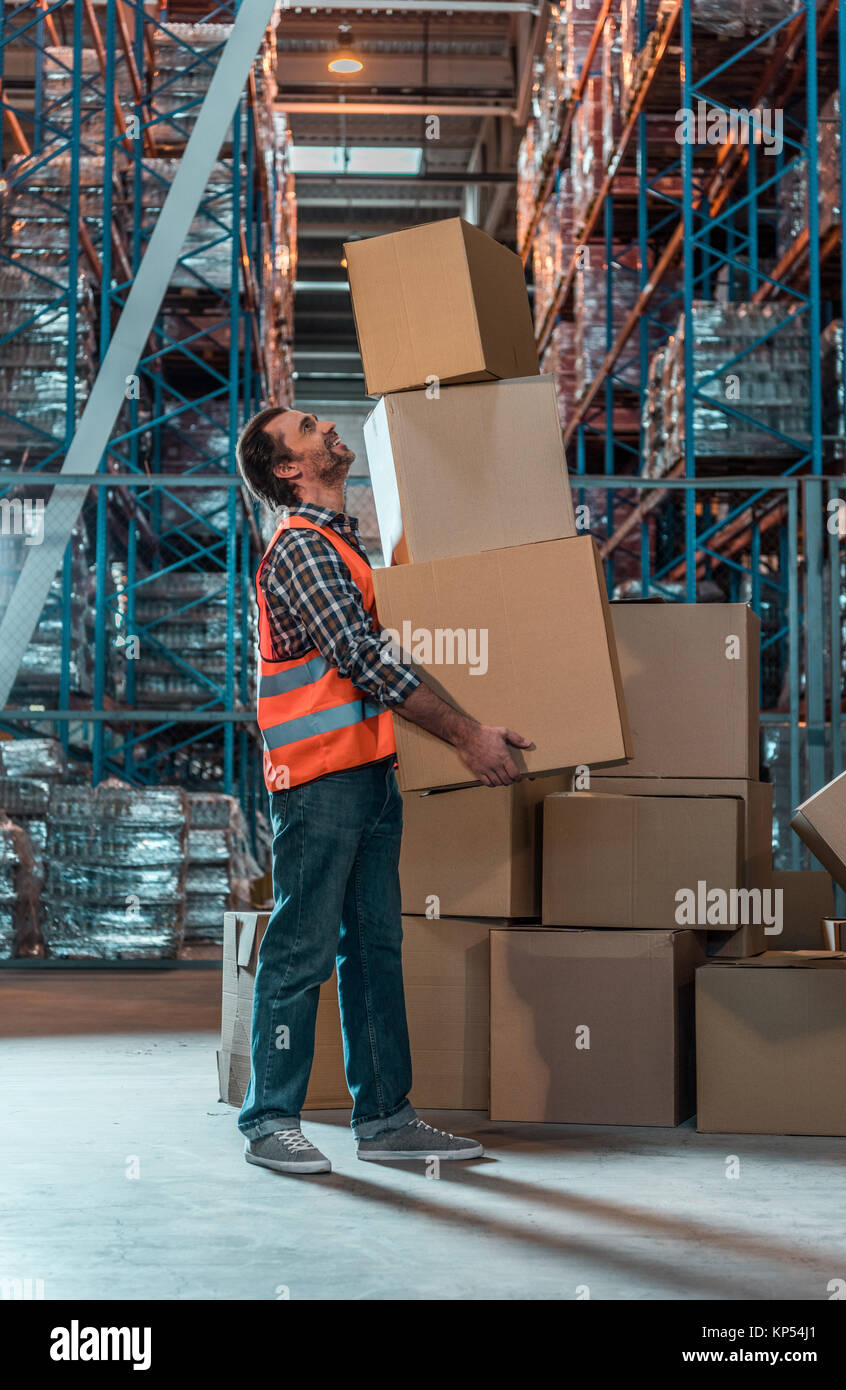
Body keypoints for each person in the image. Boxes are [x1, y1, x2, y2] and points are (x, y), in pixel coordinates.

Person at [235, 405, 532, 1175]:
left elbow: (385, 657)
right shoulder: (301, 548)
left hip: (367, 774)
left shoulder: (341, 546)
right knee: (300, 950)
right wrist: (467, 739)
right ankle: (270, 1120)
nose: (324, 427)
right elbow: (364, 659)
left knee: (373, 949)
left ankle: (386, 1119)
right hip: (316, 781)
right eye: (305, 428)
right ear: (288, 470)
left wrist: (476, 724)